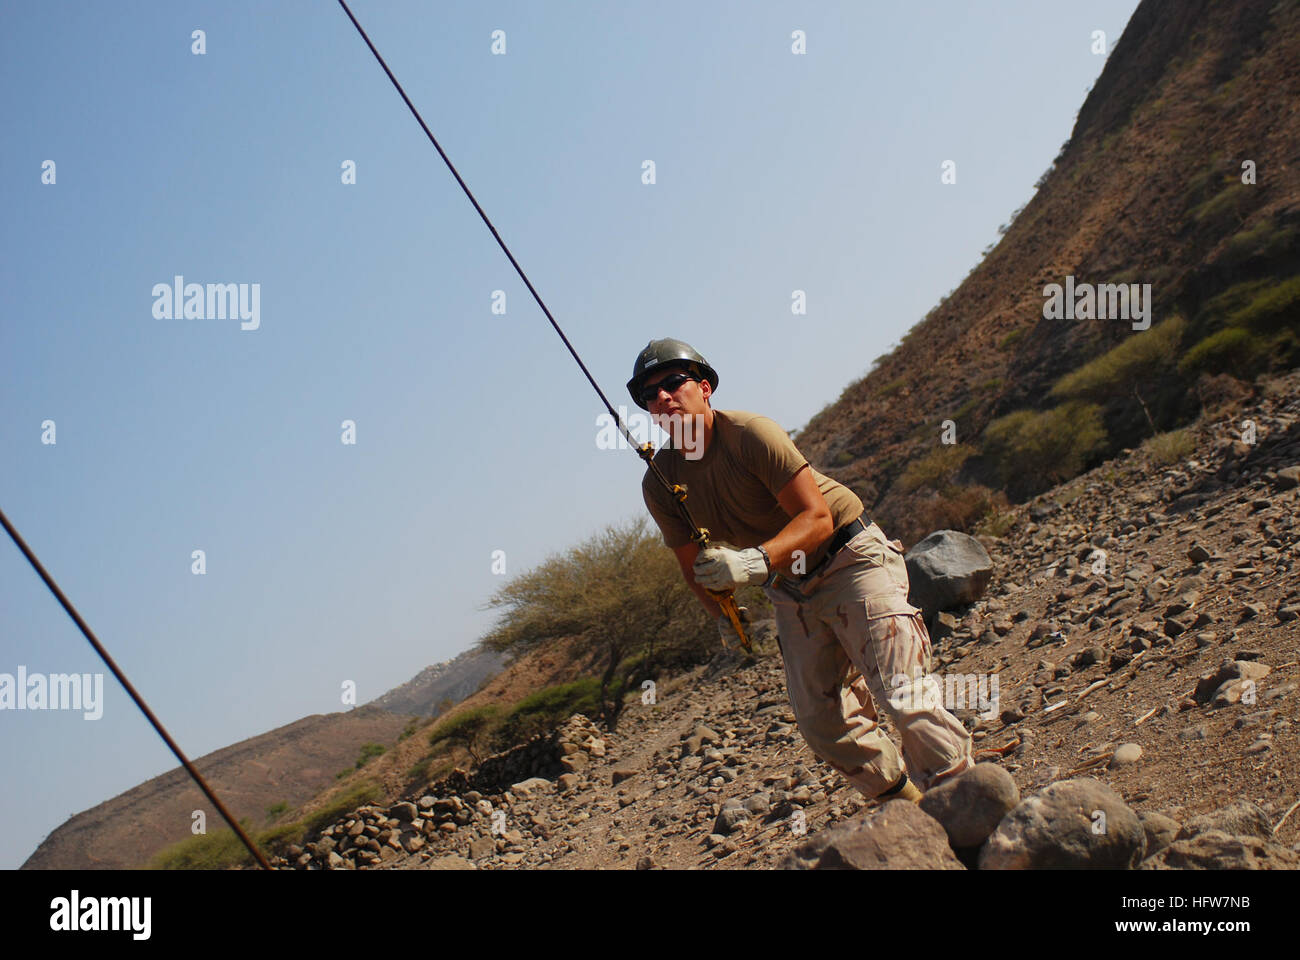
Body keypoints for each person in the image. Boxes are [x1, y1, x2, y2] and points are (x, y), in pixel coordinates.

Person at [629, 337, 973, 803]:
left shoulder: (751, 434)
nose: (663, 398)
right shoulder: (661, 482)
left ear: (705, 387)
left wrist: (752, 561)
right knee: (822, 723)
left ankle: (966, 804)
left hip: (850, 557)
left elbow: (817, 518)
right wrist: (722, 617)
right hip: (791, 588)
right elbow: (693, 566)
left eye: (674, 383)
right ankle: (910, 811)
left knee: (904, 695)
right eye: (650, 394)